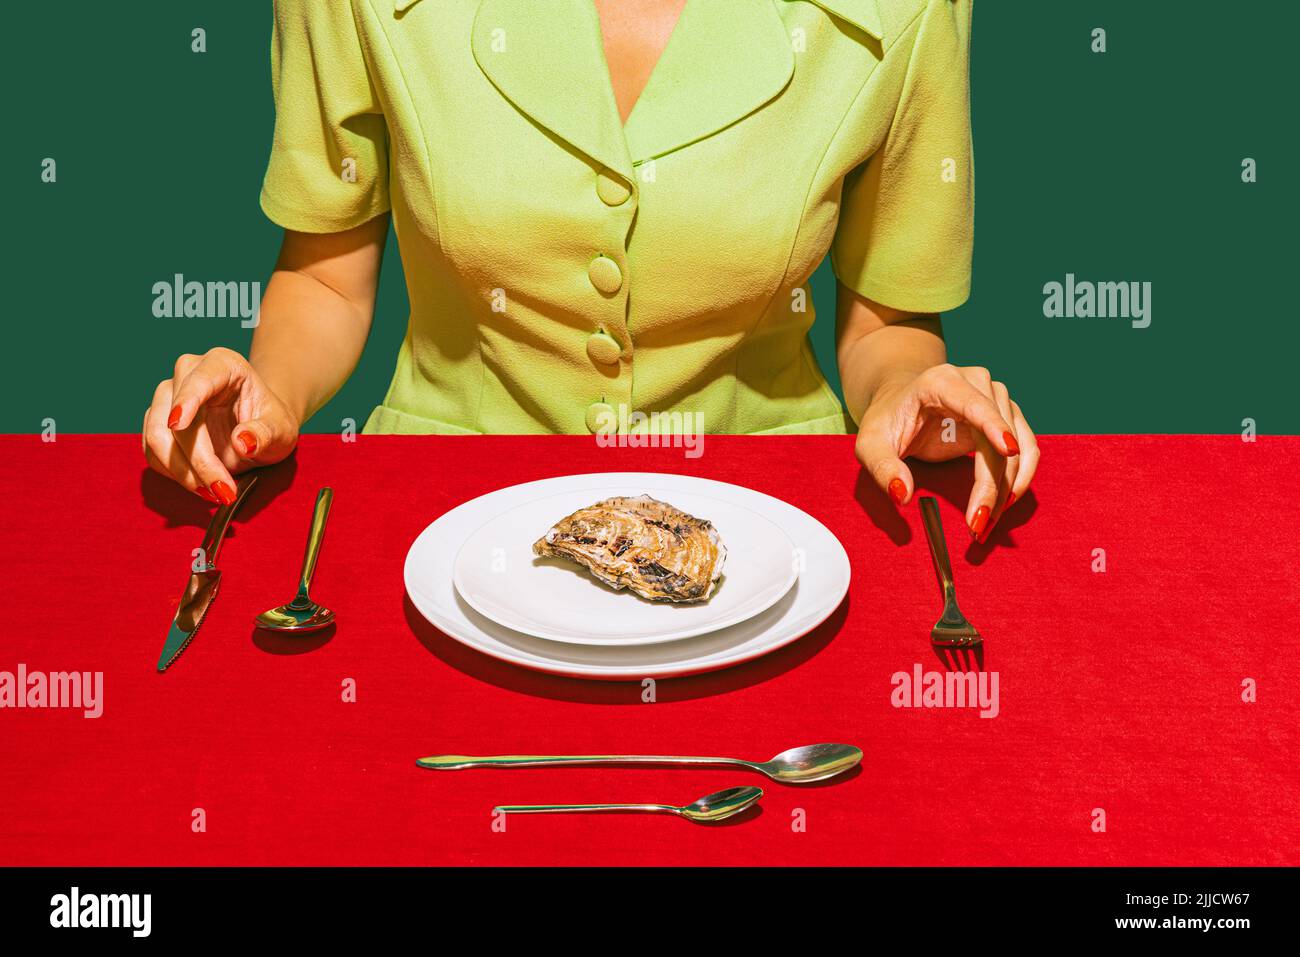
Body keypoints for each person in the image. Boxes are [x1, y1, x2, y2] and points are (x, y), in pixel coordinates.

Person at [142, 0, 1035, 541]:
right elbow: (327, 280)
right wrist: (272, 398)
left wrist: (907, 390)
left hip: (767, 513)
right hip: (444, 509)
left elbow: (888, 324)